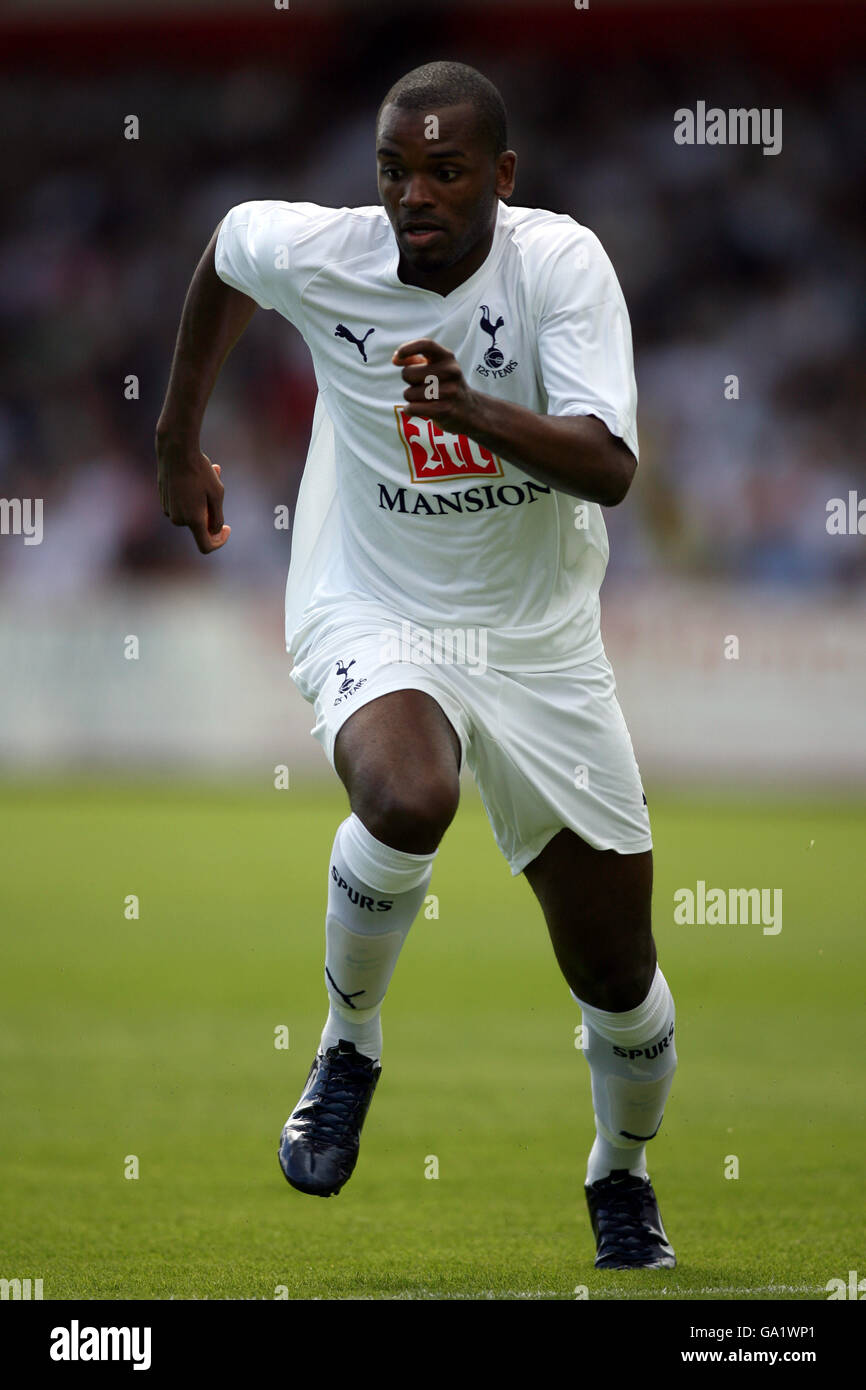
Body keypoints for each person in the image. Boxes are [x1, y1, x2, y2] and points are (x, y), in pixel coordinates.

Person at [156, 60, 677, 1271]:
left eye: (446, 172)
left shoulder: (561, 267)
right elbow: (226, 257)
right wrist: (179, 443)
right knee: (405, 794)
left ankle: (620, 1172)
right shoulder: (325, 252)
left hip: (538, 640)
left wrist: (470, 411)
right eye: (396, 171)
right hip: (372, 598)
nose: (415, 196)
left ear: (501, 175)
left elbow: (607, 467)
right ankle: (348, 1042)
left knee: (620, 985)